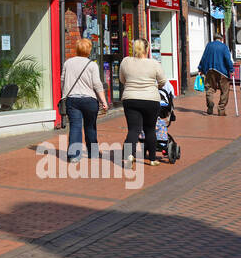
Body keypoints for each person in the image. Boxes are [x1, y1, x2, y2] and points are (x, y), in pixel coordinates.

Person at [119, 38, 167, 168]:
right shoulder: (154, 64)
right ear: (147, 49)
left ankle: (129, 155)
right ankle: (152, 159)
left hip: (130, 99)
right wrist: (155, 87)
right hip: (150, 100)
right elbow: (163, 81)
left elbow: (122, 80)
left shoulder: (125, 61)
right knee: (150, 129)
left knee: (133, 129)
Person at [60, 38, 109, 163]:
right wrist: (103, 101)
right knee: (90, 126)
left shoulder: (68, 63)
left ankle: (74, 155)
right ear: (89, 50)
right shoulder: (92, 65)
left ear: (77, 49)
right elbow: (97, 84)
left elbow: (62, 80)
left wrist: (65, 94)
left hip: (72, 99)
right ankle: (93, 153)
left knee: (75, 126)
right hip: (89, 100)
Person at [197, 32, 235, 116]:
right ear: (221, 39)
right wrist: (231, 69)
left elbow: (204, 57)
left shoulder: (209, 46)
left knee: (209, 89)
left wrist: (200, 68)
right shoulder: (224, 46)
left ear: (214, 38)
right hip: (222, 71)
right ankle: (221, 109)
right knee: (225, 90)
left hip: (210, 70)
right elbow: (227, 59)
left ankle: (210, 106)